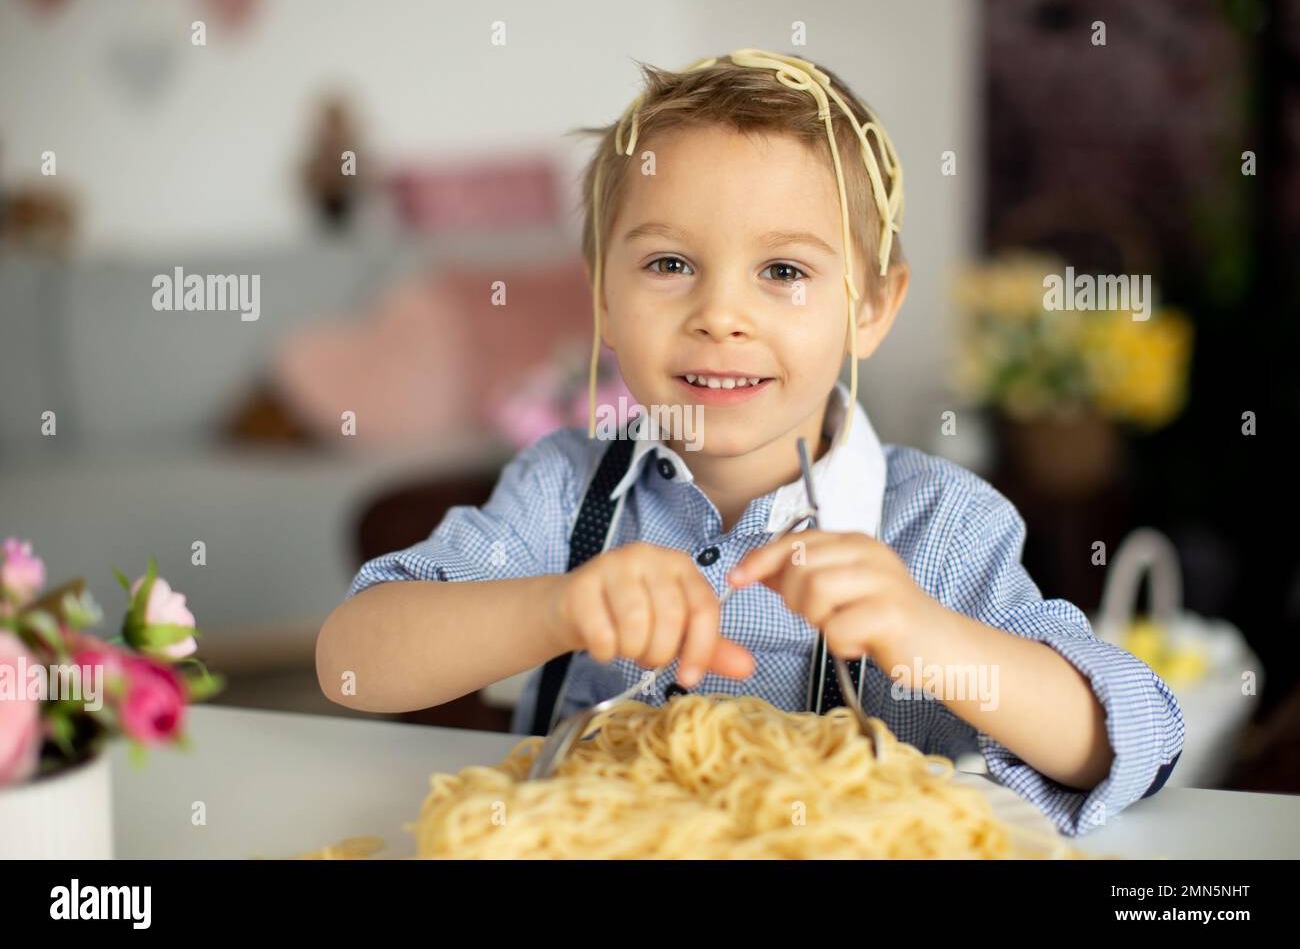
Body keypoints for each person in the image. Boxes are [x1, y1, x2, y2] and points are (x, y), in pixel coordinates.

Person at [316, 48, 1183, 837]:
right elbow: (352, 664)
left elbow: (1137, 737)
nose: (720, 316)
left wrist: (934, 638)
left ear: (872, 307)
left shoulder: (939, 527)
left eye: (784, 272)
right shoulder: (561, 490)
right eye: (669, 264)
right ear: (605, 301)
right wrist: (554, 608)